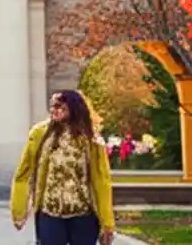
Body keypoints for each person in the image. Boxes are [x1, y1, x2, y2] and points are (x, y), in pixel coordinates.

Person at [10, 89, 115, 245]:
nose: (54, 110)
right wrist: (19, 210)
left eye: (60, 106)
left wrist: (107, 223)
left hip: (83, 214)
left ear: (73, 108)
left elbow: (102, 180)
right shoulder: (40, 134)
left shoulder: (90, 138)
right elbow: (23, 174)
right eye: (52, 106)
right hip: (50, 213)